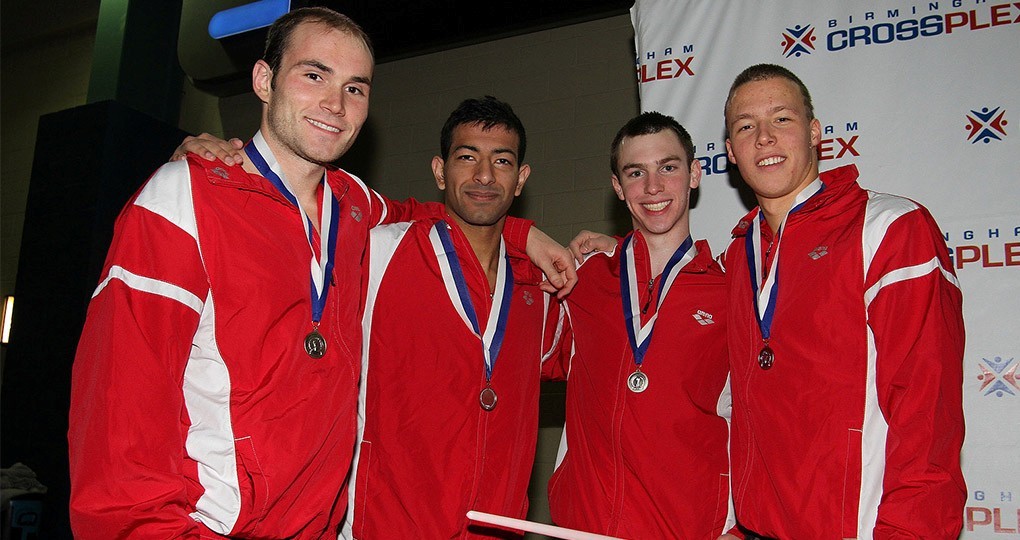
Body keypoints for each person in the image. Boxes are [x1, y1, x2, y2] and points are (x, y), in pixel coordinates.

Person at [68, 8, 572, 539]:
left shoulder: (353, 207)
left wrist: (520, 233)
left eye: (355, 88)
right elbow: (116, 422)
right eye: (314, 76)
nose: (335, 104)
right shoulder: (183, 199)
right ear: (264, 81)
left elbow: (444, 215)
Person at [721, 64, 965, 538]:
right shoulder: (738, 255)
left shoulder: (890, 228)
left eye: (781, 119)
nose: (764, 138)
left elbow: (927, 411)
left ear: (814, 133)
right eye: (746, 126)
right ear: (731, 151)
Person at [340, 96, 558, 539]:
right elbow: (300, 196)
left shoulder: (543, 290)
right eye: (467, 157)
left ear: (521, 179)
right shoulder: (379, 251)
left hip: (494, 531)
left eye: (502, 161)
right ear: (440, 171)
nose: (484, 175)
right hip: (384, 529)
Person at [542, 112, 733, 539]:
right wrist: (527, 238)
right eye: (635, 173)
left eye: (668, 167)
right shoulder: (582, 280)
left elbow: (761, 422)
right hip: (586, 528)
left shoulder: (730, 291)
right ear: (617, 187)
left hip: (690, 530)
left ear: (695, 174)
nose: (653, 187)